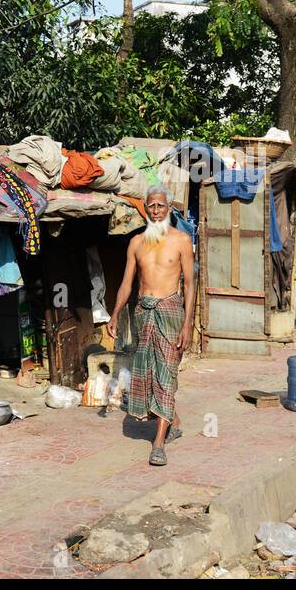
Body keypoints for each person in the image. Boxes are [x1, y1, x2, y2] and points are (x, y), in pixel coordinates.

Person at [107, 186, 195, 466]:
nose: (156, 211)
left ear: (169, 207)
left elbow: (191, 285)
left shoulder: (182, 240)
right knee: (148, 372)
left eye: (160, 206)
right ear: (145, 209)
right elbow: (126, 284)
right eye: (151, 207)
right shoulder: (136, 243)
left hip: (170, 312)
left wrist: (187, 325)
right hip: (143, 312)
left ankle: (158, 443)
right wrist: (115, 314)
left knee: (166, 373)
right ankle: (174, 420)